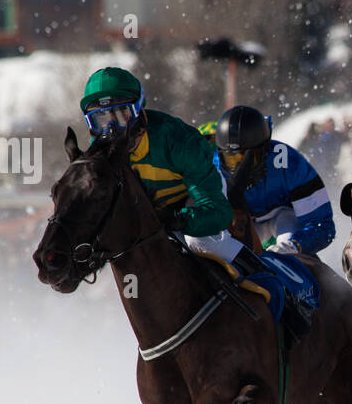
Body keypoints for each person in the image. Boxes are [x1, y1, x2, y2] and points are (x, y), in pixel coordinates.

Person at [78, 67, 312, 342]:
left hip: (193, 201)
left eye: (121, 115)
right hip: (151, 216)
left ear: (139, 111)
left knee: (200, 242)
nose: (112, 129)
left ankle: (281, 295)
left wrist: (177, 219)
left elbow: (219, 212)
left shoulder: (178, 140)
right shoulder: (99, 154)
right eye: (101, 119)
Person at [205, 105, 335, 257]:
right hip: (240, 224)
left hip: (284, 220)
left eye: (248, 159)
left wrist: (294, 245)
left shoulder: (289, 162)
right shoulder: (212, 169)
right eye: (232, 160)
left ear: (265, 150)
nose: (241, 169)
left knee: (287, 233)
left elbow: (323, 226)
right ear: (220, 154)